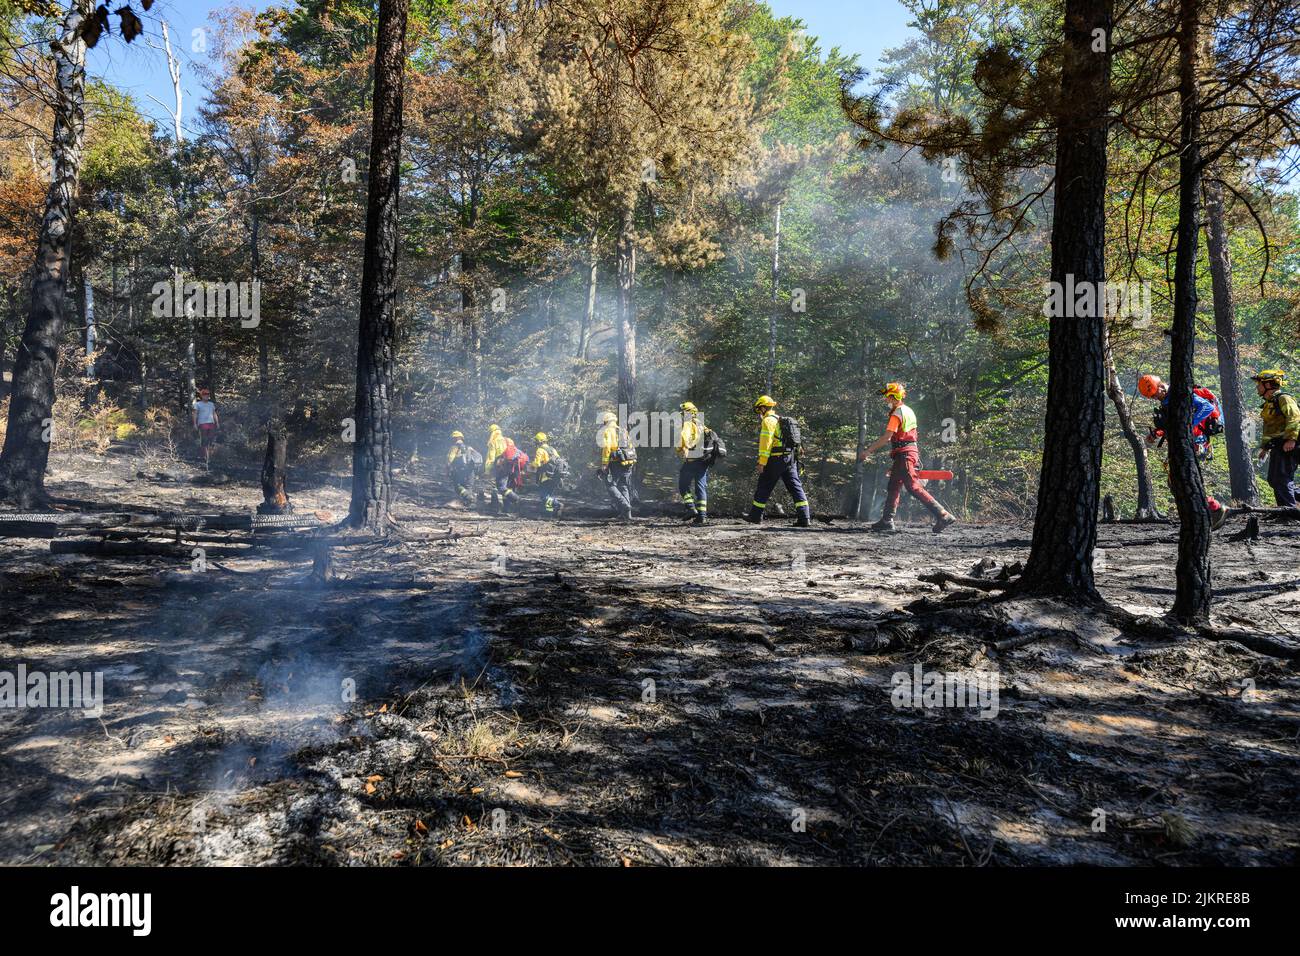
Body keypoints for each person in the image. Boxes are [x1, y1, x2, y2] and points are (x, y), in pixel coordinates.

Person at [859, 383, 955, 533]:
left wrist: (868, 451)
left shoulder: (897, 413)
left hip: (904, 454)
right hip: (905, 453)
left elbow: (887, 437)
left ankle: (943, 514)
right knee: (893, 486)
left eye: (888, 396)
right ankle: (886, 520)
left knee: (913, 486)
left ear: (894, 396)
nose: (886, 399)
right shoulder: (908, 410)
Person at [1138, 374, 1228, 530]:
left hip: (1196, 442)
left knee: (1183, 480)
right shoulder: (1166, 401)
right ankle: (1205, 513)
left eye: (1154, 394)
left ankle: (1214, 509)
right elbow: (1173, 424)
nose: (1154, 398)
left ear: (1160, 386)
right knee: (1177, 481)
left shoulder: (1181, 394)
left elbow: (1206, 407)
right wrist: (1156, 433)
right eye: (1151, 397)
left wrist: (1188, 425)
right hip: (1185, 443)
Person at [744, 395, 810, 527]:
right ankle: (805, 518)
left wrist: (762, 462)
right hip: (789, 459)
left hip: (775, 459)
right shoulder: (780, 419)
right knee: (795, 487)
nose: (759, 413)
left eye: (759, 410)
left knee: (764, 486)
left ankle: (755, 516)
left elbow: (766, 443)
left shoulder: (768, 421)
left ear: (763, 407)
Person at [1251, 368, 1299, 508]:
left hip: (1289, 444)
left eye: (1259, 384)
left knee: (1281, 479)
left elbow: (1295, 418)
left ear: (1268, 385)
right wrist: (1265, 448)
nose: (1257, 387)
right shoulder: (1269, 403)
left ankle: (1290, 512)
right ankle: (1284, 512)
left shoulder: (1284, 398)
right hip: (1278, 445)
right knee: (1274, 479)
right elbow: (1270, 429)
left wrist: (1291, 439)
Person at [676, 401, 712, 525]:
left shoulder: (688, 423)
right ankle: (702, 516)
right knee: (700, 487)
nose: (681, 415)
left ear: (688, 413)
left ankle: (691, 508)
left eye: (682, 413)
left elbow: (683, 437)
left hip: (692, 460)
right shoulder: (701, 424)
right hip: (703, 460)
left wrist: (680, 449)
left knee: (683, 485)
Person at [595, 410, 635, 520]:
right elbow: (630, 446)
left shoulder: (607, 431)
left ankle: (625, 505)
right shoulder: (622, 430)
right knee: (623, 486)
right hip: (627, 462)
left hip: (615, 462)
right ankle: (627, 514)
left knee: (610, 485)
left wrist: (604, 464)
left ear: (605, 421)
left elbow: (607, 448)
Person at [530, 431, 566, 519]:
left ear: (539, 441)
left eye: (536, 441)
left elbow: (537, 464)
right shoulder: (553, 449)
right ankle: (548, 514)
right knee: (549, 495)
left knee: (544, 496)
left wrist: (531, 465)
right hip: (555, 477)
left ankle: (558, 504)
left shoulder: (540, 450)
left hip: (546, 477)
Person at [490, 437, 528, 514]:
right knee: (509, 488)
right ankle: (508, 509)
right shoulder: (517, 451)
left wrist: (492, 468)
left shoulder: (502, 447)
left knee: (502, 487)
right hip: (514, 471)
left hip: (508, 468)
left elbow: (498, 462)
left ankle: (517, 499)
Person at [446, 431, 482, 506]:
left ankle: (469, 498)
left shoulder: (455, 447)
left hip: (460, 470)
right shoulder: (469, 447)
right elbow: (477, 458)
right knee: (469, 486)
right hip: (471, 470)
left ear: (455, 438)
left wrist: (448, 469)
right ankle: (470, 504)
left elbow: (450, 459)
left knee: (458, 486)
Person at [192, 388, 219, 466]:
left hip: (211, 424)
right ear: (201, 395)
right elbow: (194, 414)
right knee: (204, 440)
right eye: (205, 394)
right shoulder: (197, 404)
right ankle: (206, 458)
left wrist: (217, 422)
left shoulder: (211, 404)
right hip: (202, 424)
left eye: (208, 394)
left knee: (211, 440)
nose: (206, 396)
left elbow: (214, 414)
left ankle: (208, 456)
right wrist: (194, 424)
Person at [485, 424, 508, 509]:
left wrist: (487, 470)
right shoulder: (506, 440)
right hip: (509, 466)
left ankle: (496, 505)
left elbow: (491, 458)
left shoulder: (493, 441)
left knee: (495, 485)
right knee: (505, 486)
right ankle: (507, 506)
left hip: (498, 466)